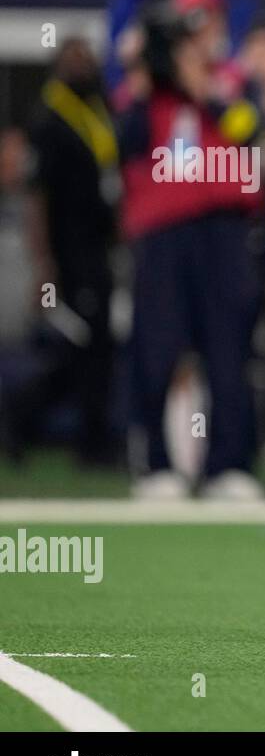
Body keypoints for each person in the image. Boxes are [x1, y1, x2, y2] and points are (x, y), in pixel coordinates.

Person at [116, 0, 265, 499]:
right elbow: (122, 144)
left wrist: (204, 90)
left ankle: (228, 466)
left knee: (228, 348)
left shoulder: (234, 80)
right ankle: (157, 465)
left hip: (224, 229)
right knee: (156, 346)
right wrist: (142, 80)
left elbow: (249, 131)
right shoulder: (145, 93)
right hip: (162, 233)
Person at [25, 39, 120, 466]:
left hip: (100, 247)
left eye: (89, 59)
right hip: (69, 253)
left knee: (95, 344)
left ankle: (91, 436)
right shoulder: (49, 118)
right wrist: (45, 266)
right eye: (76, 61)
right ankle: (33, 419)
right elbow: (36, 197)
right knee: (79, 346)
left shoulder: (97, 108)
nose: (85, 68)